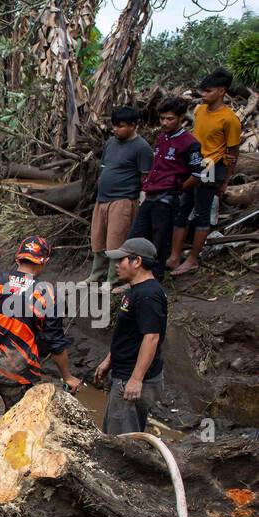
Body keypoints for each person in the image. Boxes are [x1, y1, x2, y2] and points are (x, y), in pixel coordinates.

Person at [0, 235, 80, 482]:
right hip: (18, 373)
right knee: (18, 425)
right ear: (43, 262)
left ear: (17, 257)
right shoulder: (45, 295)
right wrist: (67, 376)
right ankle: (10, 476)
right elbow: (55, 342)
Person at [171, 70, 242, 276]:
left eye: (208, 91)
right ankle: (174, 256)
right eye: (202, 91)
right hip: (195, 164)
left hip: (212, 166)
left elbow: (232, 151)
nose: (203, 94)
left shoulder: (230, 119)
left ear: (221, 91)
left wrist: (225, 179)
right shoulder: (200, 110)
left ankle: (192, 259)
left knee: (202, 211)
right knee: (183, 208)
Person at [94, 238, 167, 435]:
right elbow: (129, 334)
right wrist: (109, 359)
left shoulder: (148, 295)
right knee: (118, 432)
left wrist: (136, 379)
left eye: (121, 260)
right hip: (124, 372)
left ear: (137, 262)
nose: (116, 265)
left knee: (122, 441)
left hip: (131, 379)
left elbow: (151, 338)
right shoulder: (136, 291)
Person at [128, 97, 203, 281]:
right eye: (162, 118)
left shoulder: (190, 143)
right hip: (151, 194)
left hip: (167, 199)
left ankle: (155, 279)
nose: (165, 122)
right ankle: (135, 276)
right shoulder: (162, 138)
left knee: (159, 242)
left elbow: (197, 175)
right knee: (137, 236)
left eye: (169, 118)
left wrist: (177, 189)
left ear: (180, 118)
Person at [90, 106, 152, 285]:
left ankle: (113, 278)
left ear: (133, 126)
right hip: (103, 198)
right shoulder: (110, 142)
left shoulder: (142, 148)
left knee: (116, 242)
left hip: (123, 199)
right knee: (98, 239)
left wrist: (141, 200)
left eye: (121, 126)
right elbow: (105, 167)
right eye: (114, 126)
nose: (116, 129)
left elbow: (144, 178)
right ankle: (96, 274)